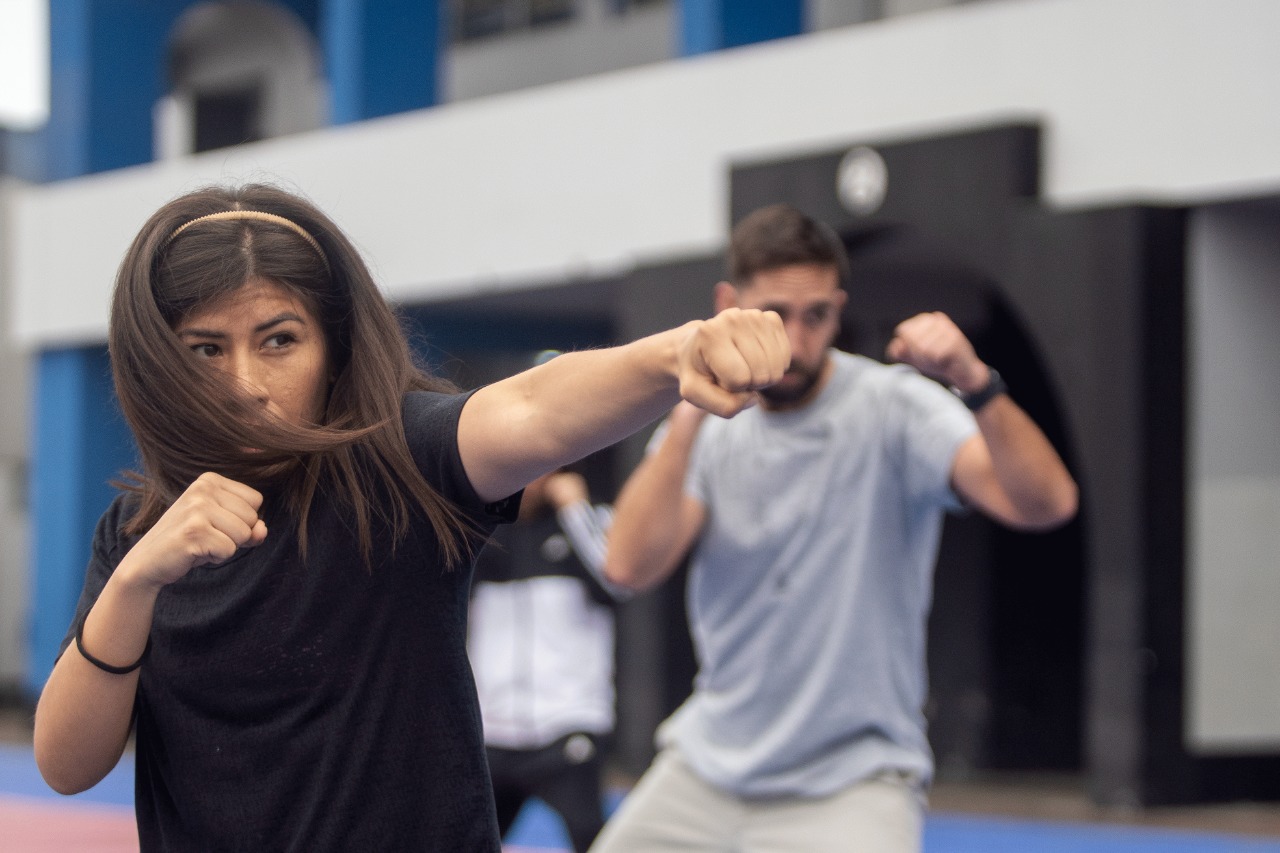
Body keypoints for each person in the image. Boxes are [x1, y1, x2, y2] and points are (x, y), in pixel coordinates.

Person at [30, 183, 789, 852]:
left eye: (279, 340)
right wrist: (135, 580)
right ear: (161, 362)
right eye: (204, 349)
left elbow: (530, 407)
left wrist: (675, 353)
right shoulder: (137, 532)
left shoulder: (397, 465)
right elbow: (66, 765)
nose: (246, 384)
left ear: (331, 346)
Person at [593, 203, 1079, 853]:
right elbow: (627, 567)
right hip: (707, 770)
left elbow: (1046, 503)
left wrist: (974, 380)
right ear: (728, 304)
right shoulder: (704, 429)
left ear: (838, 308)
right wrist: (689, 409)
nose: (795, 340)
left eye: (815, 315)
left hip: (853, 781)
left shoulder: (894, 406)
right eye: (775, 315)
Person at [469, 465, 624, 852]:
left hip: (567, 723)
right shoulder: (483, 537)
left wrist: (575, 509)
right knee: (462, 838)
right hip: (494, 731)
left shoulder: (588, 522)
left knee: (594, 839)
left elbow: (616, 580)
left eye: (538, 469)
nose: (527, 480)